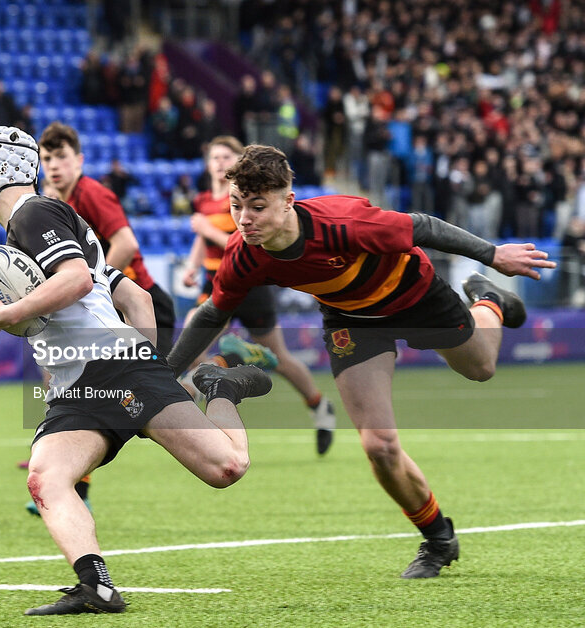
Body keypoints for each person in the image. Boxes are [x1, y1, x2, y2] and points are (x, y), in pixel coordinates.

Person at [167, 144, 556, 579]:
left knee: (481, 368)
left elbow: (423, 226)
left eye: (258, 207)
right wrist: (163, 375)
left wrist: (492, 254)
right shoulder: (245, 253)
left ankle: (488, 301)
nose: (244, 219)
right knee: (379, 446)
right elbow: (213, 314)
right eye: (237, 205)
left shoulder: (342, 223)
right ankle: (438, 539)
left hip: (415, 295)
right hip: (351, 321)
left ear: (288, 201)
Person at [0, 126, 272, 615]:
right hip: (79, 386)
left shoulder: (33, 214)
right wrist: (150, 364)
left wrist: (9, 313)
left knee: (227, 468)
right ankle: (97, 587)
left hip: (113, 369)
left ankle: (221, 387)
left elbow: (76, 280)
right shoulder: (43, 227)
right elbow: (136, 297)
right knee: (46, 477)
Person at [182, 136, 336, 455]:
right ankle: (212, 389)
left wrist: (208, 231)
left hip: (248, 284)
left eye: (226, 157)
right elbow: (202, 238)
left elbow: (242, 245)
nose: (220, 163)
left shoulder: (245, 199)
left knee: (279, 358)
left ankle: (319, 406)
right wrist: (192, 265)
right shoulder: (203, 200)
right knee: (193, 340)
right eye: (214, 157)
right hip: (214, 284)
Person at [39, 121, 177, 355]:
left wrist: (96, 291)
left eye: (61, 156)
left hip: (140, 303)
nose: (53, 165)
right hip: (117, 305)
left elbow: (126, 244)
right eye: (47, 158)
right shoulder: (65, 204)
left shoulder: (91, 193)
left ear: (79, 160)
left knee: (152, 377)